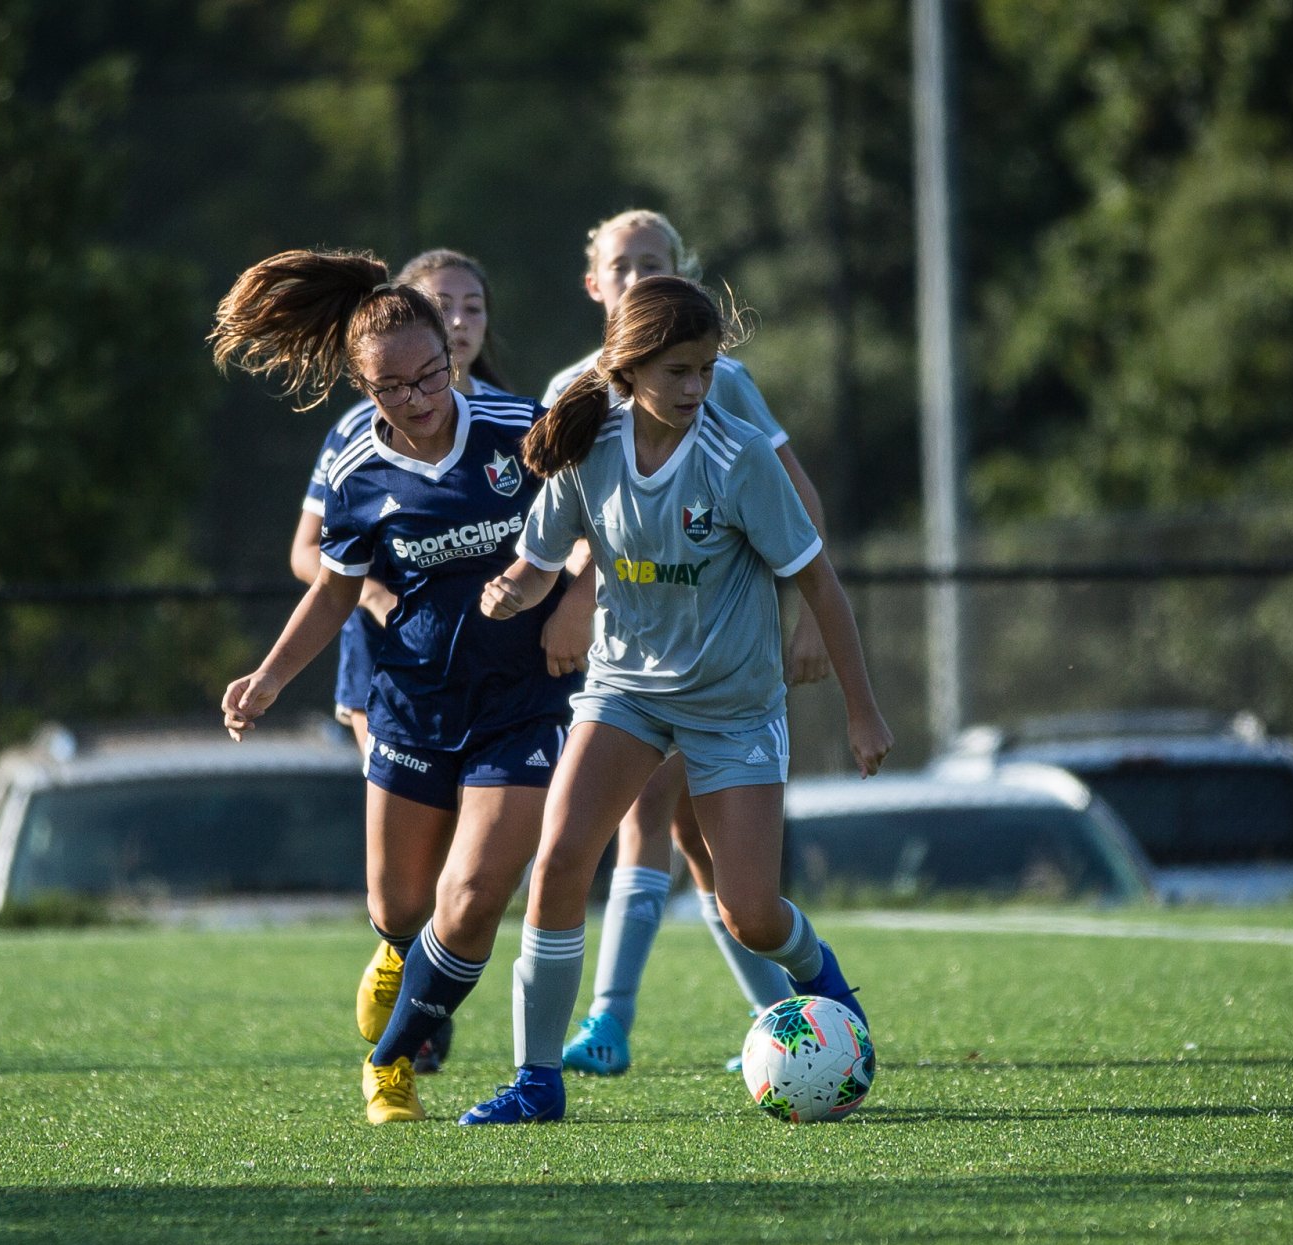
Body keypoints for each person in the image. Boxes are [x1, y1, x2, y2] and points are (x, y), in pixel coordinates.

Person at [457, 274, 893, 1124]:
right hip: (626, 691)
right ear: (628, 369)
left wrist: (862, 708)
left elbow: (823, 586)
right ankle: (537, 1081)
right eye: (678, 373)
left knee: (752, 913)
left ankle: (828, 987)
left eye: (705, 369)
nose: (697, 389)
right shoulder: (589, 448)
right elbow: (542, 557)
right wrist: (513, 588)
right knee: (556, 865)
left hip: (733, 707)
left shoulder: (737, 461)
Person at [210, 248, 593, 1124]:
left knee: (471, 900)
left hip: (522, 700)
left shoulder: (517, 428)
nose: (420, 399)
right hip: (412, 705)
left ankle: (391, 1064)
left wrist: (576, 598)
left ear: (453, 359)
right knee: (399, 906)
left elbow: (601, 517)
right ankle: (395, 956)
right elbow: (336, 584)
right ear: (362, 385)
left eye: (433, 375)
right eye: (394, 388)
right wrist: (268, 678)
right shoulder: (351, 461)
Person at [544, 209, 834, 1078]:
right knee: (688, 846)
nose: (638, 278)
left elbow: (788, 499)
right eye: (621, 266)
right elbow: (590, 518)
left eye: (655, 263)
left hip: (709, 652)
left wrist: (811, 614)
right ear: (594, 284)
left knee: (684, 841)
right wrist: (566, 595)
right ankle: (782, 1021)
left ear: (684, 273)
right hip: (628, 650)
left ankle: (613, 1017)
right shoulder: (575, 388)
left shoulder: (718, 381)